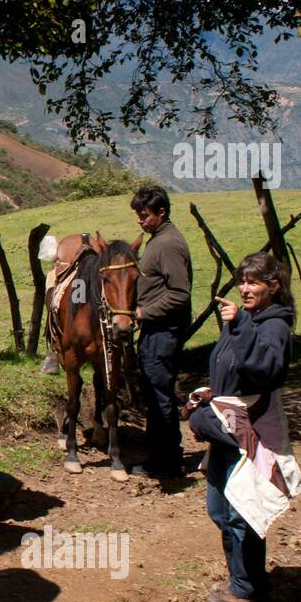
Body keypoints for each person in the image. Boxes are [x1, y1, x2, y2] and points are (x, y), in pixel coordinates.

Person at [187, 252, 297, 602]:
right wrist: (209, 394)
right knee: (218, 508)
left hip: (249, 429)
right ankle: (245, 577)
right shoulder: (247, 319)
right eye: (242, 281)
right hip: (228, 425)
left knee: (241, 512)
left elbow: (264, 372)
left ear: (273, 287)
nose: (245, 289)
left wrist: (240, 327)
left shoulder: (273, 326)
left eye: (254, 283)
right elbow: (228, 368)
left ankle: (247, 586)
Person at [130, 184, 192, 479]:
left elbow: (180, 293)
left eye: (144, 215)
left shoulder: (168, 244)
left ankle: (166, 462)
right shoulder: (158, 239)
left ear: (161, 212)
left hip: (163, 331)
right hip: (156, 331)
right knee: (156, 394)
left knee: (159, 397)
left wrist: (144, 312)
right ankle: (162, 456)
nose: (139, 221)